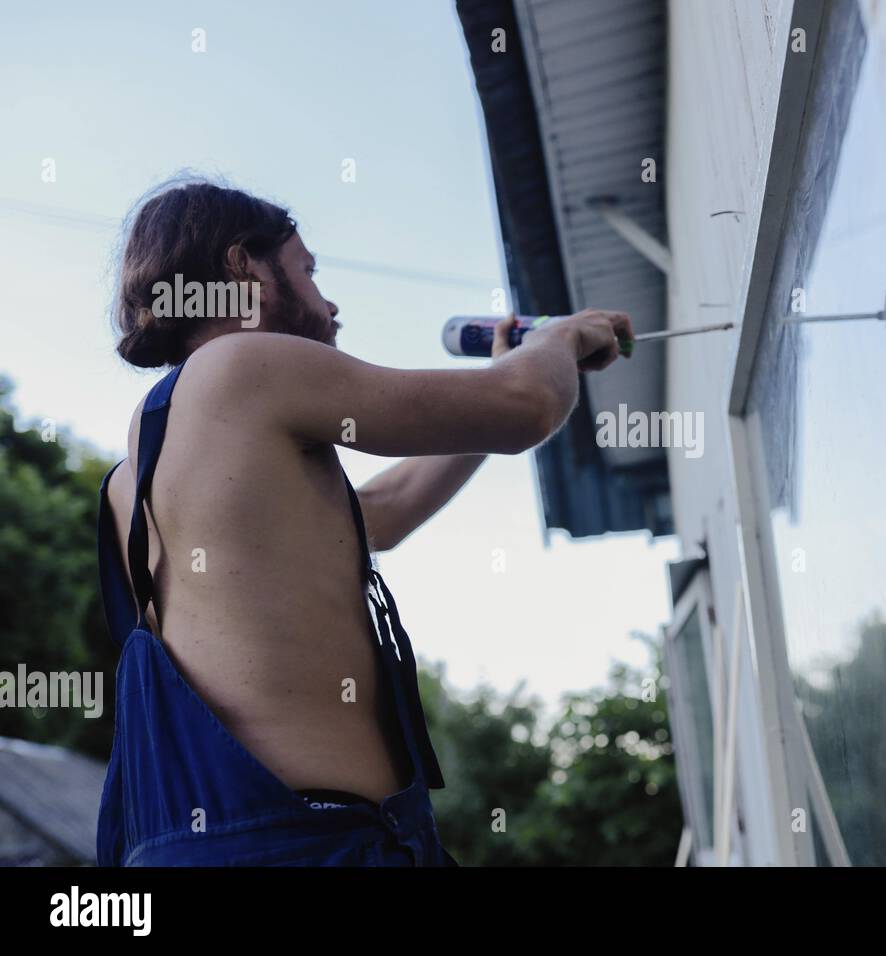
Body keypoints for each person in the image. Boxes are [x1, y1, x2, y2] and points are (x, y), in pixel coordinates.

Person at [95, 177, 633, 866]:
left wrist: (508, 382)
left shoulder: (132, 477)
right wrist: (559, 342)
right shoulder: (244, 362)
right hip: (308, 844)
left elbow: (380, 513)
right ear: (242, 268)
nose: (330, 301)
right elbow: (525, 405)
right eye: (308, 270)